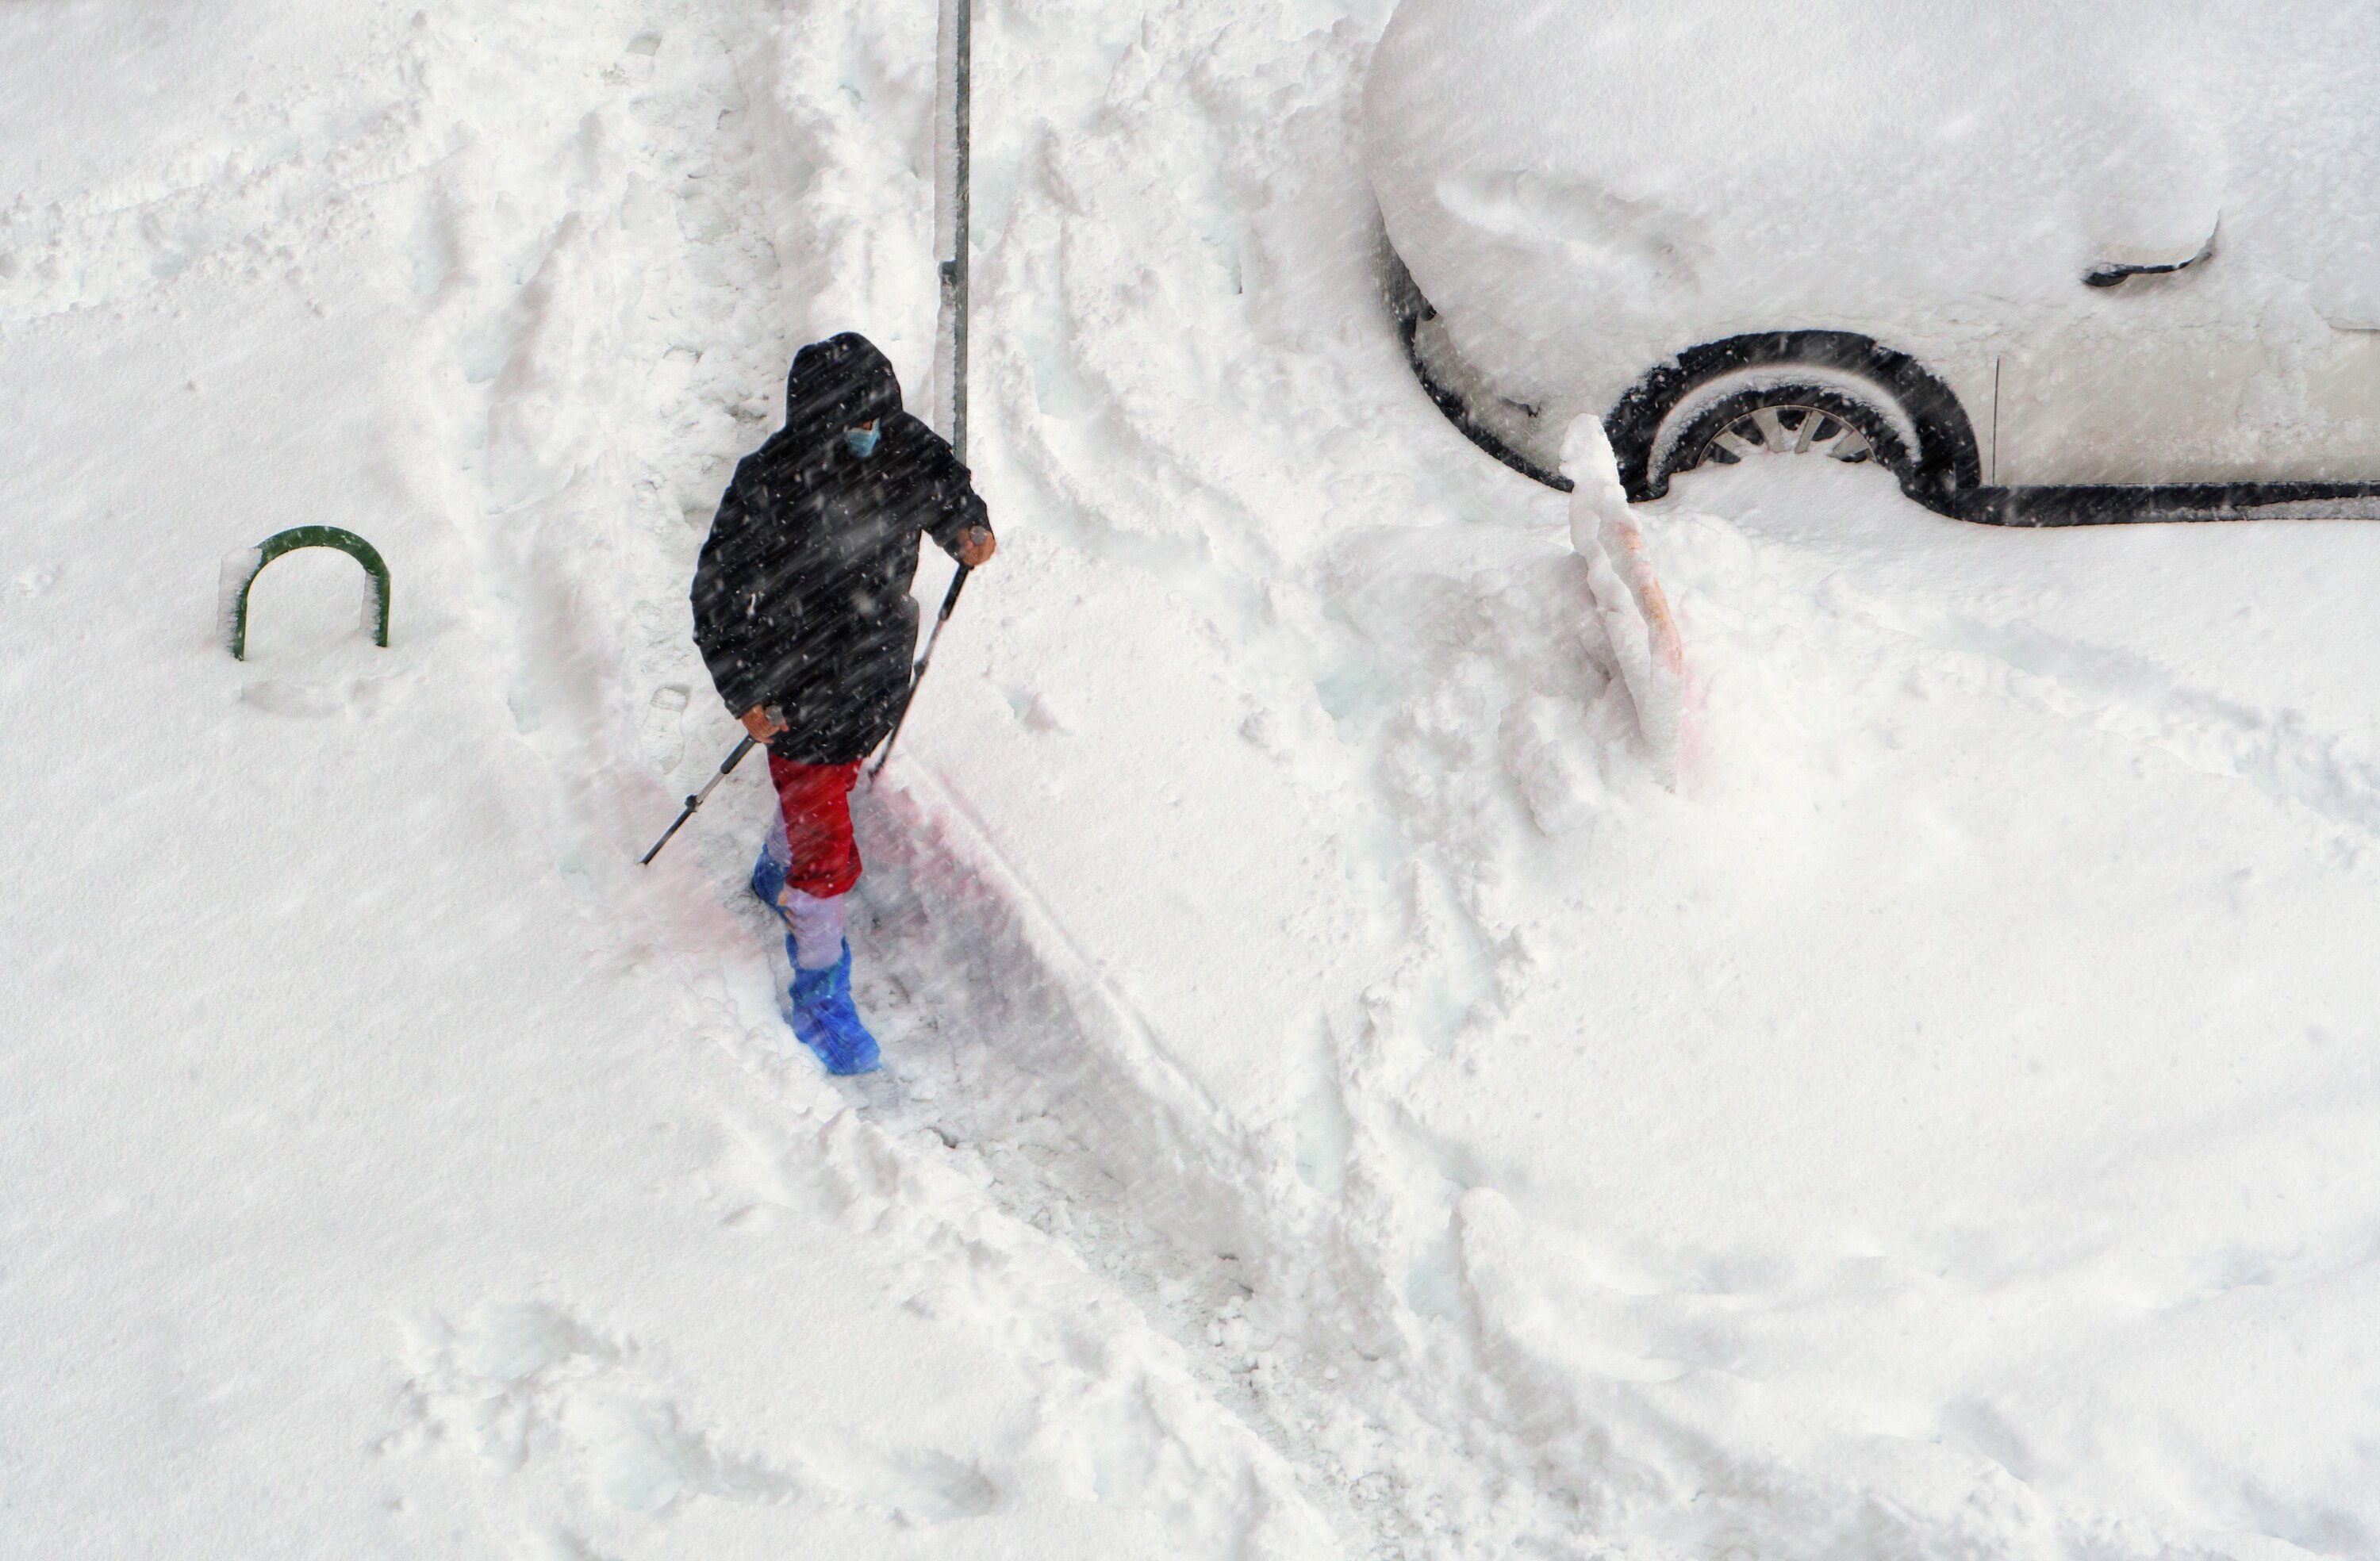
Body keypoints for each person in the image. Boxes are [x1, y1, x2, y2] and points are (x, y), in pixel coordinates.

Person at [691, 332, 996, 1074]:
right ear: (819, 423)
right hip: (795, 688)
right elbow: (717, 594)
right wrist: (746, 693)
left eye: (876, 420)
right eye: (855, 424)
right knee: (827, 850)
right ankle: (821, 991)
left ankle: (773, 867)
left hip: (875, 670)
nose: (869, 435)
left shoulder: (894, 442)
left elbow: (943, 484)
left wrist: (968, 527)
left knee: (828, 788)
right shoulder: (769, 481)